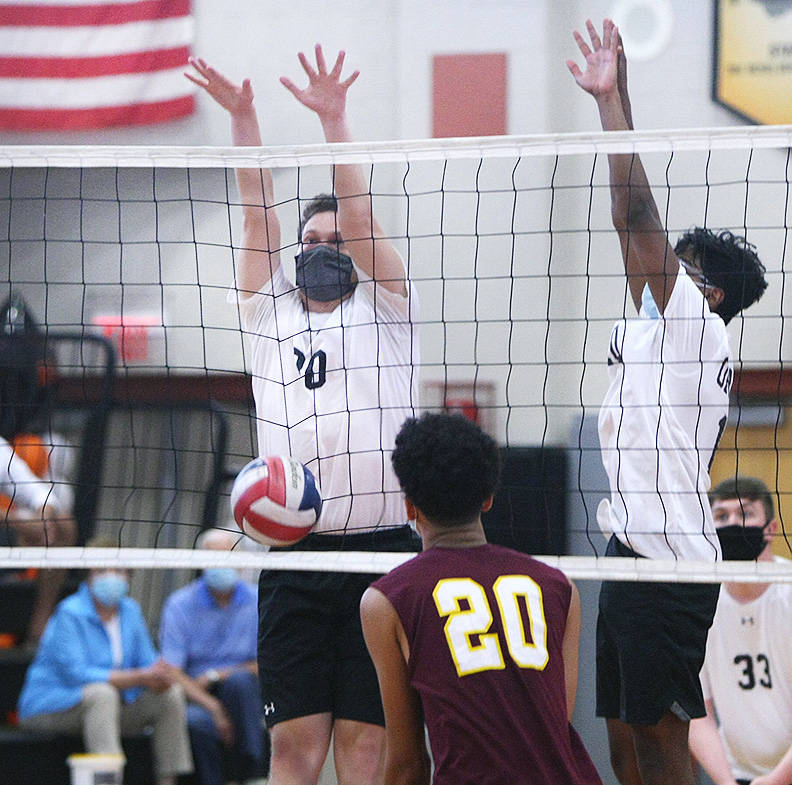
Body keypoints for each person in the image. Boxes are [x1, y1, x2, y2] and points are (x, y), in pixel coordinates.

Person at [185, 45, 419, 785]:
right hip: (293, 551)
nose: (321, 249)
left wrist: (334, 119)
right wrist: (244, 118)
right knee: (294, 750)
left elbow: (359, 207)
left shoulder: (388, 308)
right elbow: (257, 218)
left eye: (335, 240)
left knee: (365, 750)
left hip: (382, 551)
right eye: (309, 242)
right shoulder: (269, 313)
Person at [567, 19, 768, 785]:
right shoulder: (657, 325)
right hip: (632, 555)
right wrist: (615, 93)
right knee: (623, 746)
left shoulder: (697, 327)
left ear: (706, 291)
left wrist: (611, 107)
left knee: (660, 746)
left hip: (670, 565)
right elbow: (635, 227)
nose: (658, 271)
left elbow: (635, 215)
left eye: (679, 268)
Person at [360, 412, 602, 785]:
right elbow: (555, 723)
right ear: (488, 499)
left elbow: (408, 765)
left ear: (409, 507)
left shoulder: (386, 601)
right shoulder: (560, 587)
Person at [17, 535, 193, 785]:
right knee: (102, 693)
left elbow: (148, 661)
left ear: (129, 575)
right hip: (52, 707)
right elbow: (77, 675)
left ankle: (169, 779)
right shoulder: (70, 612)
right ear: (89, 576)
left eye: (118, 570)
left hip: (106, 709)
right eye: (102, 569)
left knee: (170, 694)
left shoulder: (130, 610)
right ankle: (108, 781)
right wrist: (140, 677)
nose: (111, 576)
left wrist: (159, 676)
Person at [688, 476, 792, 785]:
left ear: (770, 529)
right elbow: (698, 713)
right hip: (738, 776)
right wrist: (726, 782)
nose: (733, 524)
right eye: (722, 516)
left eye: (744, 514)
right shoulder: (699, 605)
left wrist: (776, 781)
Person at [159, 528, 267, 785]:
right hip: (197, 696)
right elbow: (171, 670)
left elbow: (266, 664)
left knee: (239, 684)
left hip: (243, 693)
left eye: (229, 558)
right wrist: (214, 707)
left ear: (241, 564)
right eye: (215, 558)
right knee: (195, 722)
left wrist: (217, 675)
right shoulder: (180, 604)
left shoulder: (258, 601)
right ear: (201, 563)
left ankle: (253, 774)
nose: (222, 565)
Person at [0, 430, 76, 645]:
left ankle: (39, 628)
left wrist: (43, 517)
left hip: (8, 532)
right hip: (10, 523)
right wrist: (19, 522)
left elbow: (38, 491)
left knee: (62, 526)